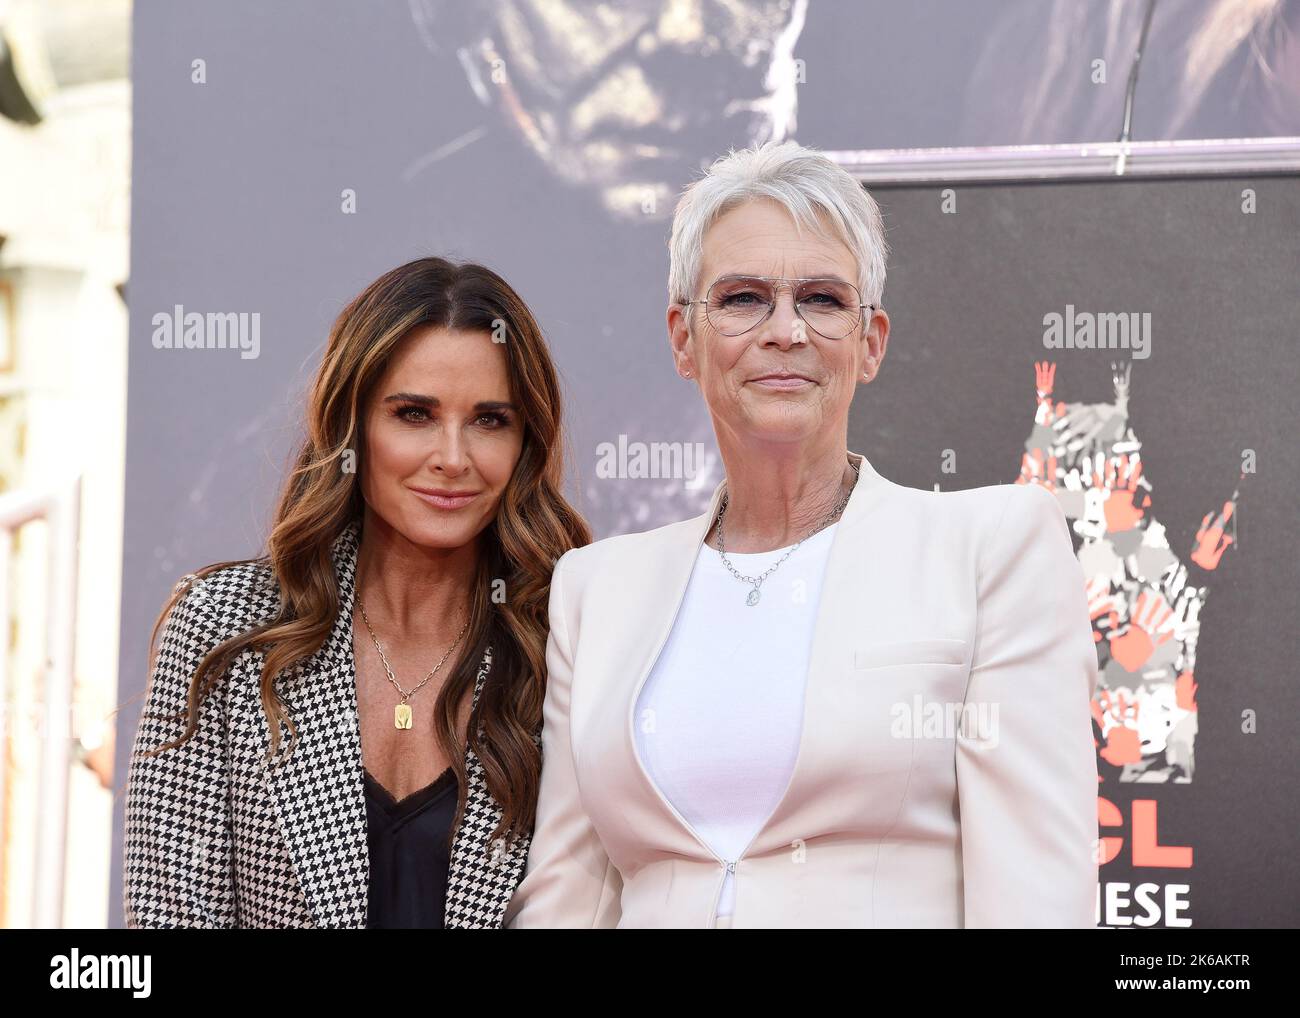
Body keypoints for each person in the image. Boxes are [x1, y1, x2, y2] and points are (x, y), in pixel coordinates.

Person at [505, 140, 1100, 928]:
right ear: (684, 339)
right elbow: (568, 897)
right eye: (744, 298)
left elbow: (1036, 899)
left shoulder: (992, 548)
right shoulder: (595, 588)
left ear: (872, 342)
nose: (784, 331)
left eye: (821, 299)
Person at [123, 256, 590, 928]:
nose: (453, 458)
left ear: (525, 443)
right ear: (353, 425)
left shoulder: (566, 645)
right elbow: (171, 916)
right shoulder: (224, 629)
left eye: (490, 420)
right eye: (414, 414)